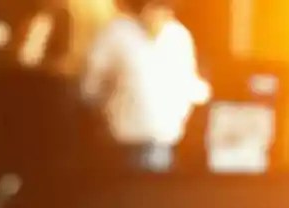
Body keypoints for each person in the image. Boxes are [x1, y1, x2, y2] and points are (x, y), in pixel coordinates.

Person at [80, 0, 209, 171]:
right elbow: (90, 88)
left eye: (165, 10)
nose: (159, 17)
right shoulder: (116, 34)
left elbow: (190, 85)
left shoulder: (177, 36)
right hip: (123, 144)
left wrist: (204, 93)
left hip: (163, 145)